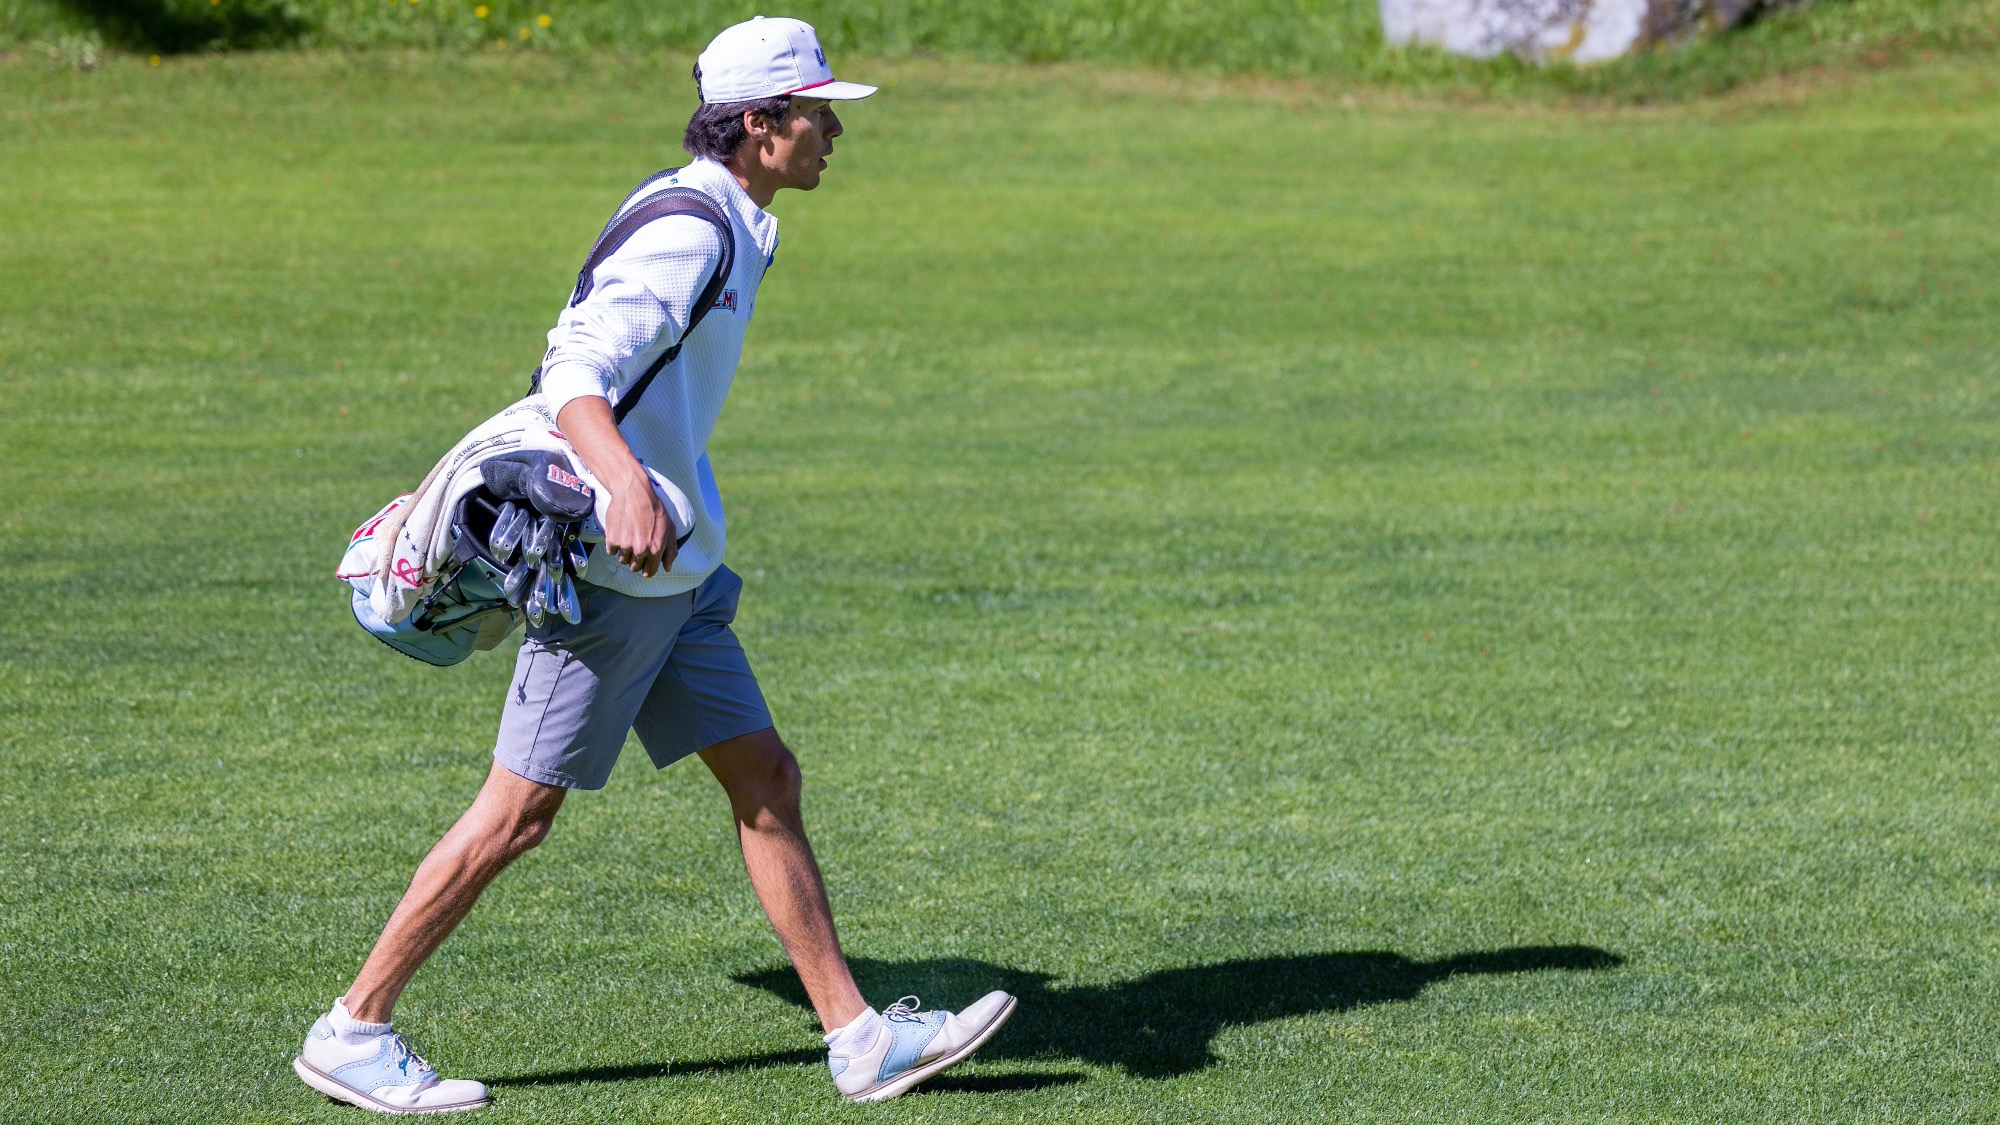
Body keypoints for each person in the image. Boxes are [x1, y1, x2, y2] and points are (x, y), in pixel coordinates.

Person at [293, 17, 1015, 1114]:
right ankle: (353, 1028)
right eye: (815, 112)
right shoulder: (690, 231)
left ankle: (857, 1041)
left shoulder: (729, 213)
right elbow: (572, 367)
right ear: (759, 126)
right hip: (614, 583)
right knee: (516, 818)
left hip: (677, 579)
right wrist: (624, 482)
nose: (831, 131)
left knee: (766, 779)